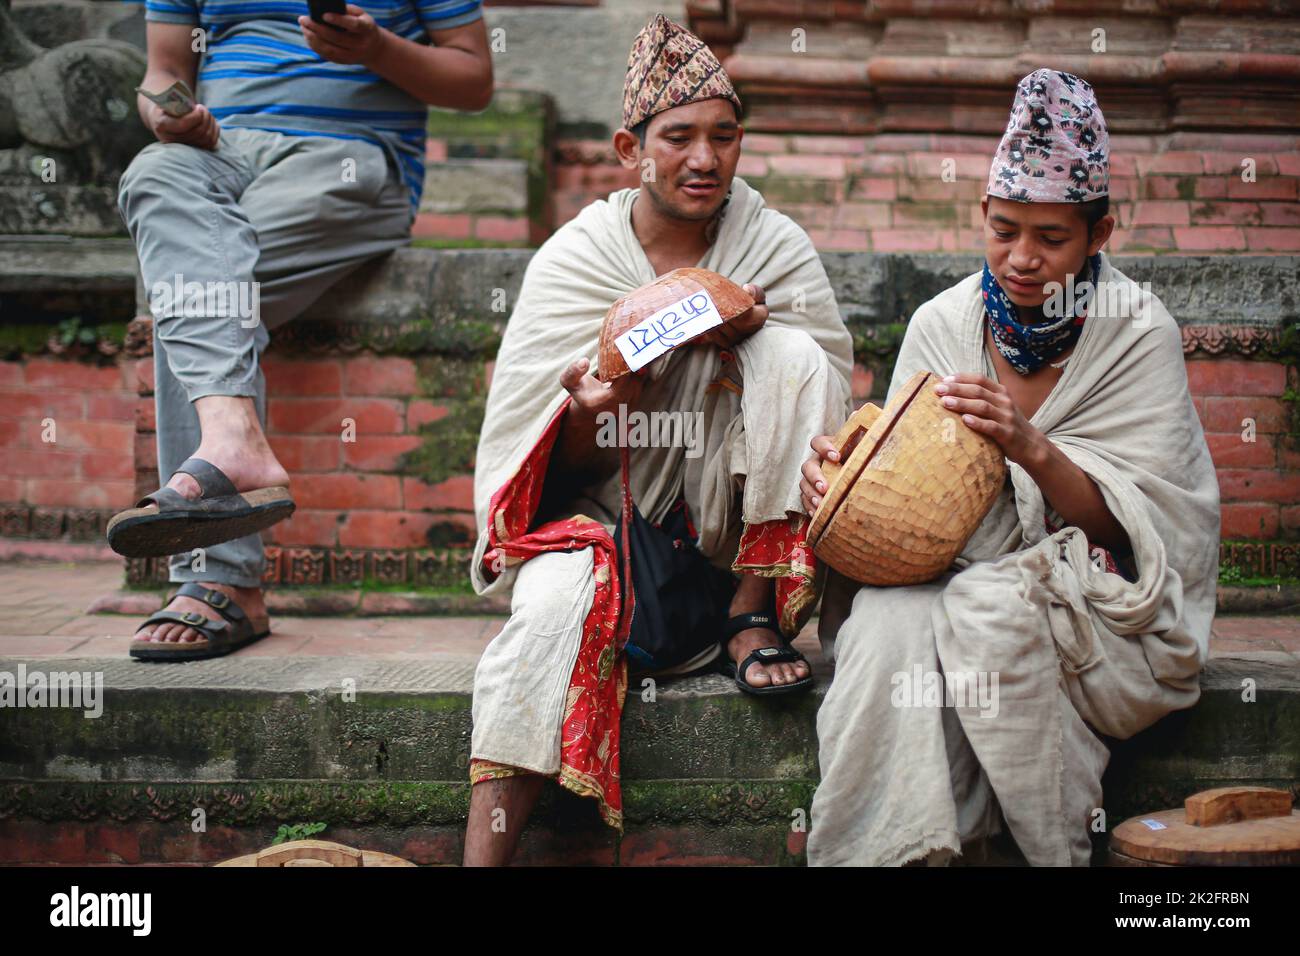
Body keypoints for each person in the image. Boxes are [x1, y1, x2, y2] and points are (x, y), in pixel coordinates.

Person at [800, 69, 1220, 866]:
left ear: (1099, 235)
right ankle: (894, 853)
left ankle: (1049, 849)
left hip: (1097, 612)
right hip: (951, 577)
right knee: (888, 626)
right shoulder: (941, 325)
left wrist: (1030, 448)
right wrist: (845, 483)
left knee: (989, 610)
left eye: (1051, 238)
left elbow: (1149, 535)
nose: (1021, 258)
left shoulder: (1137, 334)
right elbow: (902, 508)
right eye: (1002, 230)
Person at [464, 15, 854, 865]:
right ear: (629, 148)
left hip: (728, 526)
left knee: (790, 350)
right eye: (677, 138)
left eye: (724, 136)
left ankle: (752, 617)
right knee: (539, 626)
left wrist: (737, 331)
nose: (704, 160)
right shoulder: (575, 260)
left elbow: (829, 394)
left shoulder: (773, 246)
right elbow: (533, 472)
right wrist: (603, 407)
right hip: (605, 530)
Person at [111, 0, 493, 660]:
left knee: (192, 286)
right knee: (152, 172)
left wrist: (376, 48)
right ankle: (234, 447)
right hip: (219, 155)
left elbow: (474, 79)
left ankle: (218, 578)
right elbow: (161, 73)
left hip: (347, 163)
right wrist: (167, 112)